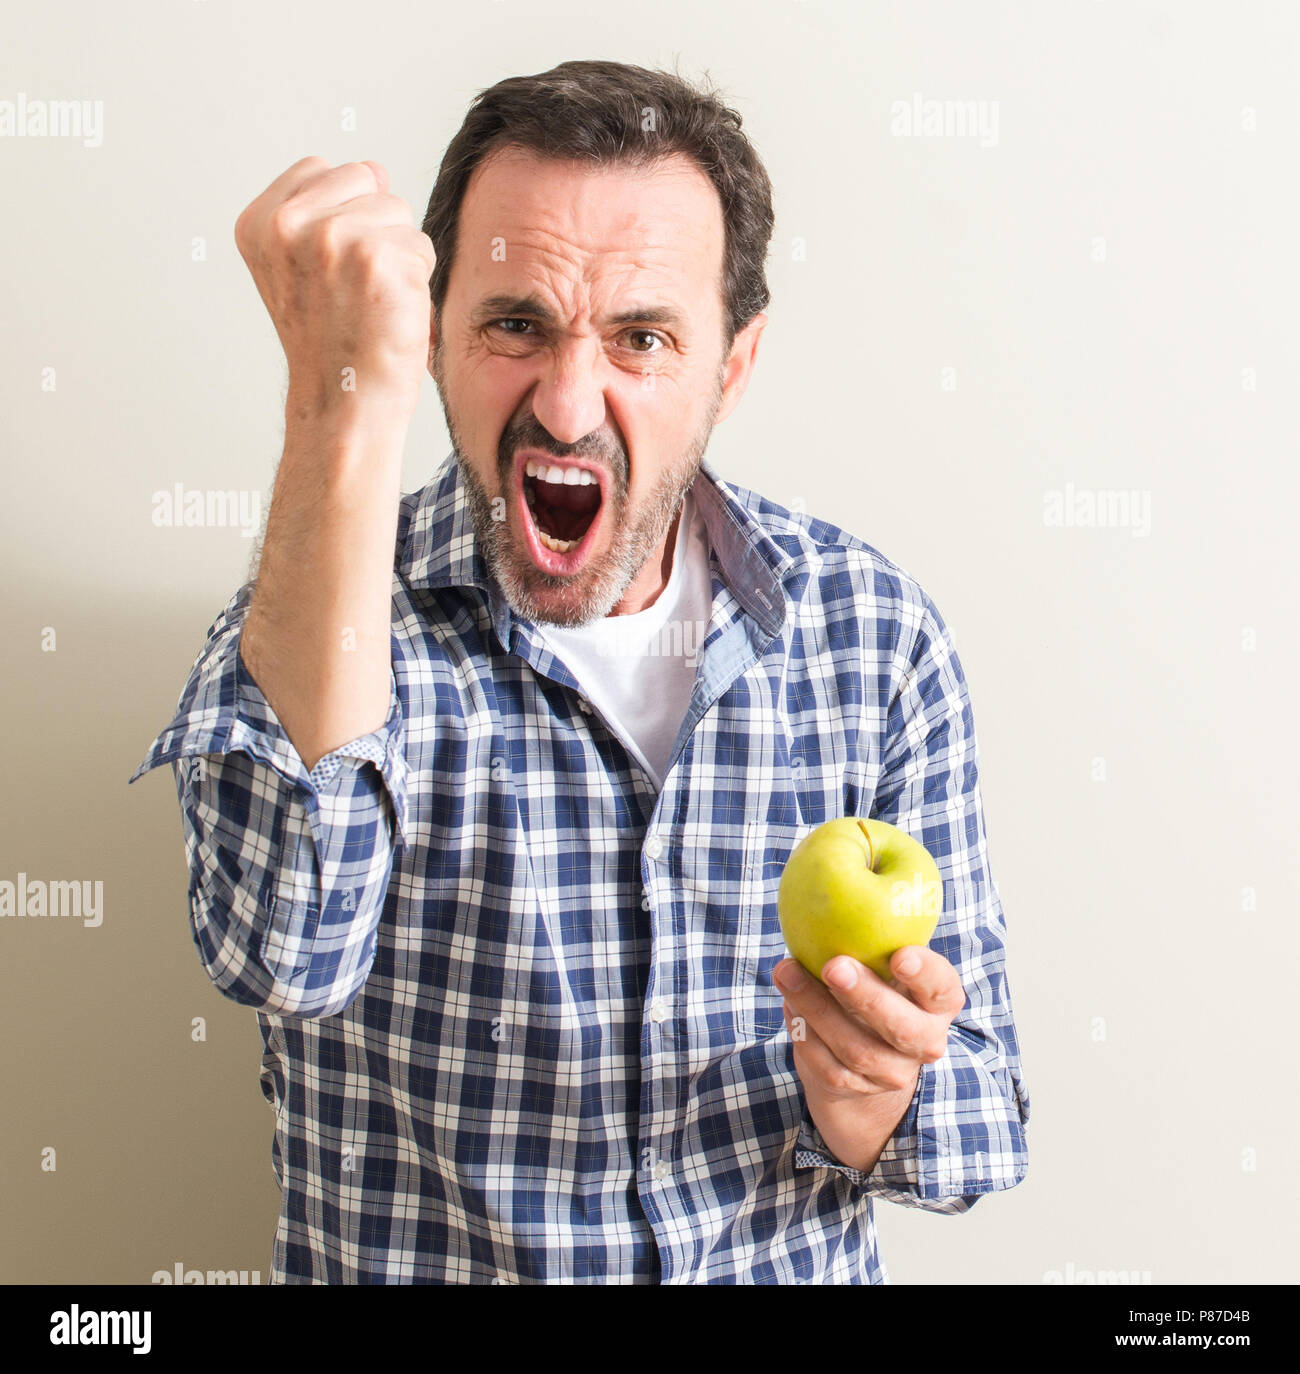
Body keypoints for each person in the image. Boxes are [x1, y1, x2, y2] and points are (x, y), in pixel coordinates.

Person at [131, 59, 1029, 1284]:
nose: (566, 404)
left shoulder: (868, 634)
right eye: (514, 324)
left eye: (642, 337)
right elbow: (279, 951)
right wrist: (335, 403)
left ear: (733, 362)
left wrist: (877, 1105)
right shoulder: (329, 616)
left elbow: (985, 1118)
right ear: (437, 334)